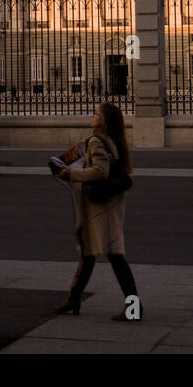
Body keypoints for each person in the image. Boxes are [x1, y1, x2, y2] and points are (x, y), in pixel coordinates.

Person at [54, 103, 141, 321]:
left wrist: (71, 175)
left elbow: (100, 172)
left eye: (96, 114)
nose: (92, 116)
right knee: (90, 252)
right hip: (109, 201)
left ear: (103, 120)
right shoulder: (112, 141)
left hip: (99, 204)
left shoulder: (95, 141)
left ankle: (134, 307)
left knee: (112, 255)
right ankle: (73, 298)